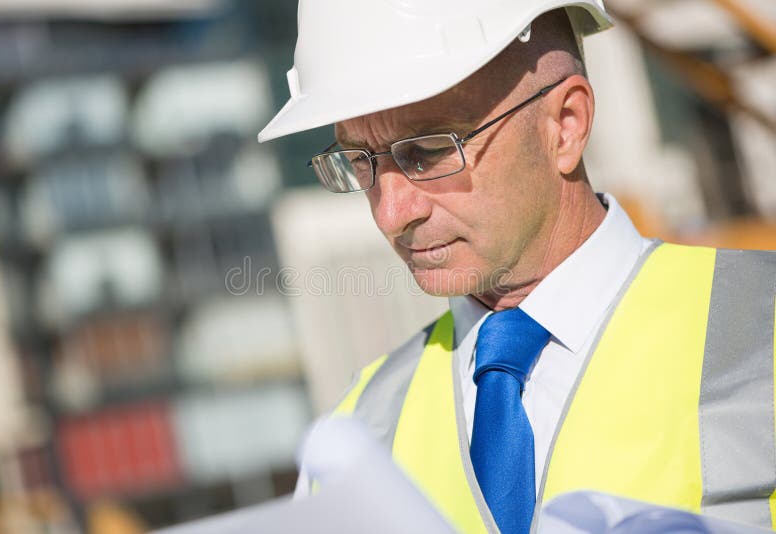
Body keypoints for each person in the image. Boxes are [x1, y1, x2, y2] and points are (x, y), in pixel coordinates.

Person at [258, 1, 776, 533]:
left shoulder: (764, 332)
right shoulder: (358, 433)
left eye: (429, 151)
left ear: (566, 126)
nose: (391, 214)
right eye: (358, 161)